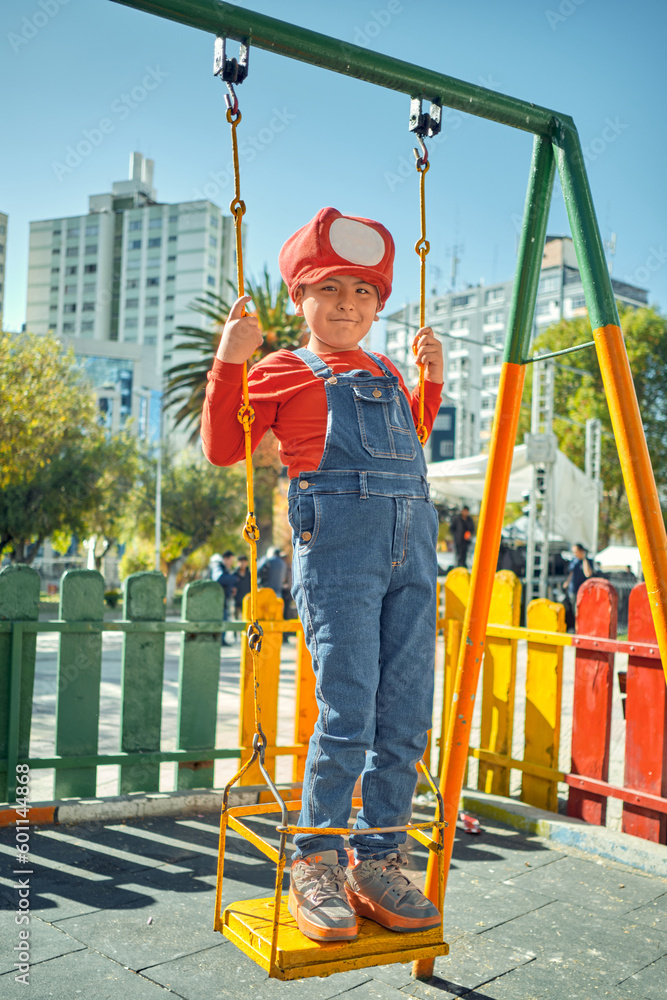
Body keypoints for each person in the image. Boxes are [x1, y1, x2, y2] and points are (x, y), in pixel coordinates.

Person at [202, 207, 444, 943]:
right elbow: (222, 447)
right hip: (339, 549)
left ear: (378, 304)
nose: (347, 304)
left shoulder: (387, 368)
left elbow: (412, 439)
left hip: (413, 546)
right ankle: (314, 858)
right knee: (346, 711)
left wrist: (427, 380)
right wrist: (228, 360)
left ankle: (377, 859)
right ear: (299, 298)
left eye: (363, 292)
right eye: (329, 289)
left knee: (403, 714)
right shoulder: (281, 367)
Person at [210, 551, 238, 646]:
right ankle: (219, 640)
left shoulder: (223, 568)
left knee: (224, 618)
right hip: (217, 600)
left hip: (221, 599)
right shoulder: (217, 566)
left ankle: (221, 639)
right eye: (230, 560)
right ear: (225, 558)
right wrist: (233, 578)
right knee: (221, 619)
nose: (231, 563)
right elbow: (219, 578)